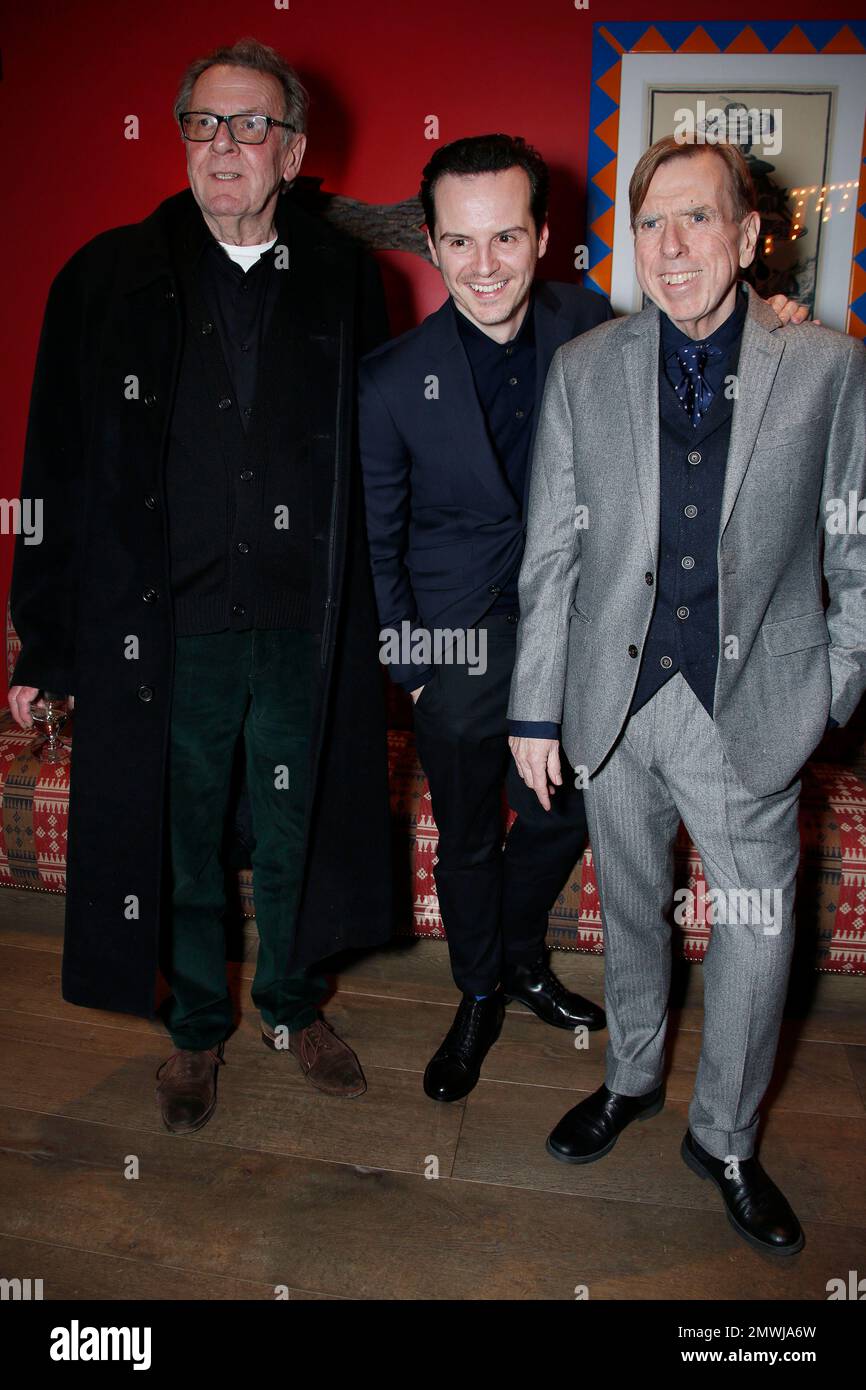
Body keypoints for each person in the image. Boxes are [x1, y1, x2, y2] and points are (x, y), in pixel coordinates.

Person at [8, 38, 393, 1133]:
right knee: (174, 833)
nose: (225, 147)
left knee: (295, 822)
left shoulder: (343, 276)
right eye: (204, 125)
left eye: (250, 125)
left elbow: (379, 459)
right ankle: (192, 1031)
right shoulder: (101, 277)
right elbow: (54, 472)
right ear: (182, 140)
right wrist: (43, 642)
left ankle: (291, 1003)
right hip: (159, 624)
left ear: (292, 149)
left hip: (301, 621)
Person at [508, 134, 866, 1254]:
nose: (670, 246)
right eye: (651, 221)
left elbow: (853, 536)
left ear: (750, 237)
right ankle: (627, 1077)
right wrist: (531, 706)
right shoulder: (582, 366)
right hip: (612, 704)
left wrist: (831, 684)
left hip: (751, 704)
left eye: (697, 218)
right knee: (626, 913)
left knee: (756, 938)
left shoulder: (825, 366)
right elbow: (549, 556)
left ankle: (722, 1137)